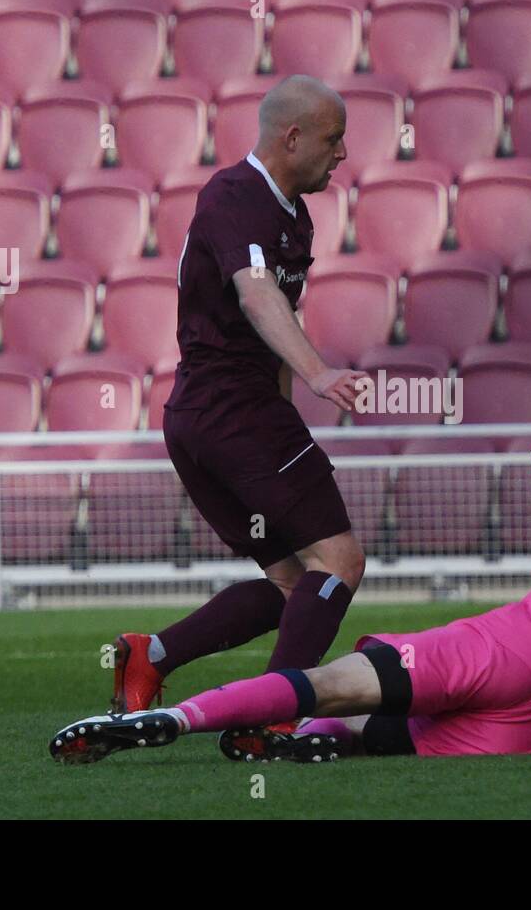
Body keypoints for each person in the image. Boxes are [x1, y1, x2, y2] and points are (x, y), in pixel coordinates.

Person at [51, 446, 531, 763]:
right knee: (369, 734)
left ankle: (175, 717)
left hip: (503, 652)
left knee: (327, 686)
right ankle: (306, 746)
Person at [106, 76, 370, 717]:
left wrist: (289, 403)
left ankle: (153, 656)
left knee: (291, 584)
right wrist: (316, 375)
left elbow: (271, 318)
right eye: (333, 139)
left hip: (208, 420)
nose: (341, 154)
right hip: (231, 415)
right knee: (339, 560)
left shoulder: (293, 219)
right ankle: (277, 713)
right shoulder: (233, 196)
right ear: (293, 137)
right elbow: (256, 295)